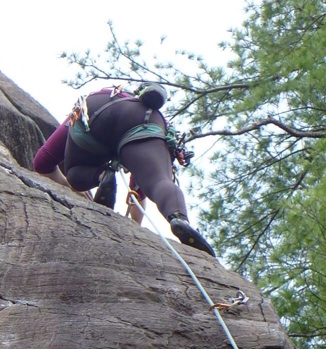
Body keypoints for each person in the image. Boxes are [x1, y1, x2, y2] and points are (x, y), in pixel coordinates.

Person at [31, 84, 214, 256]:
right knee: (159, 182)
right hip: (144, 120)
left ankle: (101, 176)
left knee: (76, 172)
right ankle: (179, 219)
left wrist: (71, 188)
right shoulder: (145, 111)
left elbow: (42, 163)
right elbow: (137, 193)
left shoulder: (101, 98)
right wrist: (134, 226)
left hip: (94, 110)